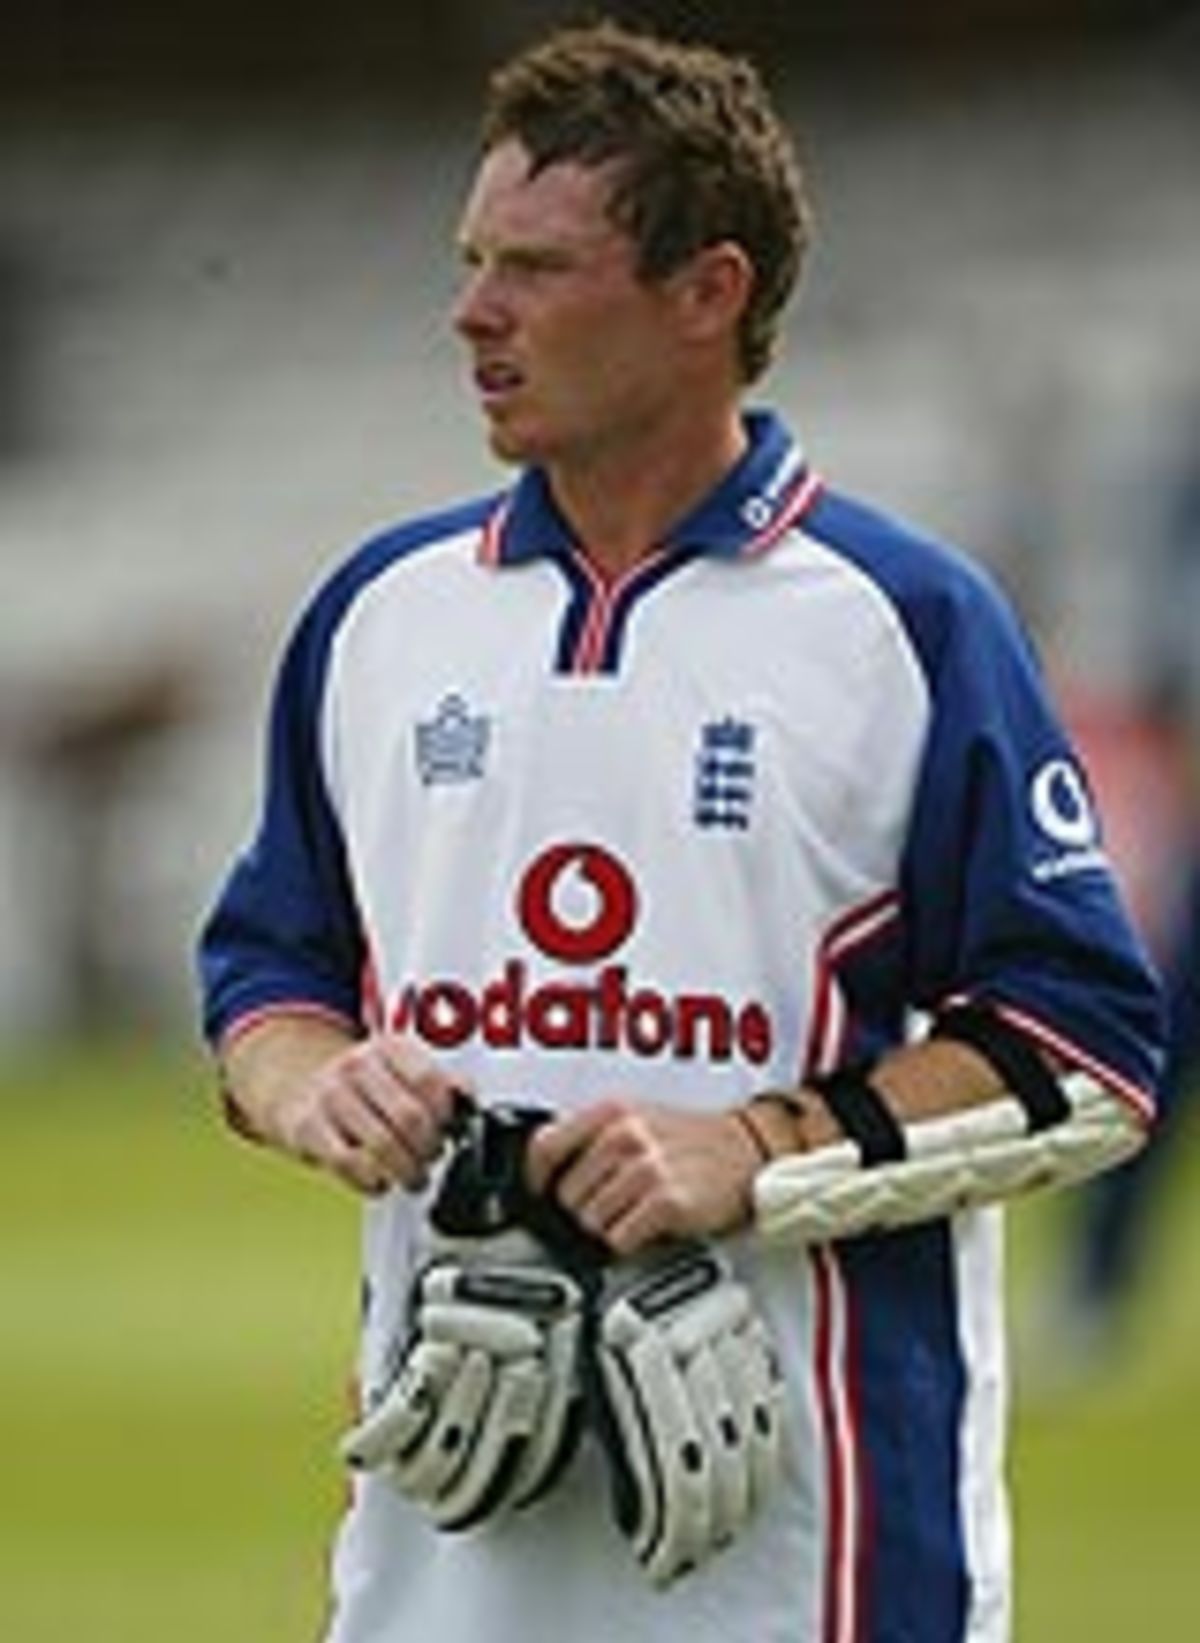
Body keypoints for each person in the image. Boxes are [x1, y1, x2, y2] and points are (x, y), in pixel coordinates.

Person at [197, 21, 1163, 1643]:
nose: (472, 313)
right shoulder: (379, 614)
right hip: (438, 1551)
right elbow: (267, 979)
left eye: (534, 268)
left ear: (707, 293)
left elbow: (1090, 1060)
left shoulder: (903, 624)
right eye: (469, 261)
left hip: (814, 1552)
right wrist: (317, 1087)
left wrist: (751, 1154)